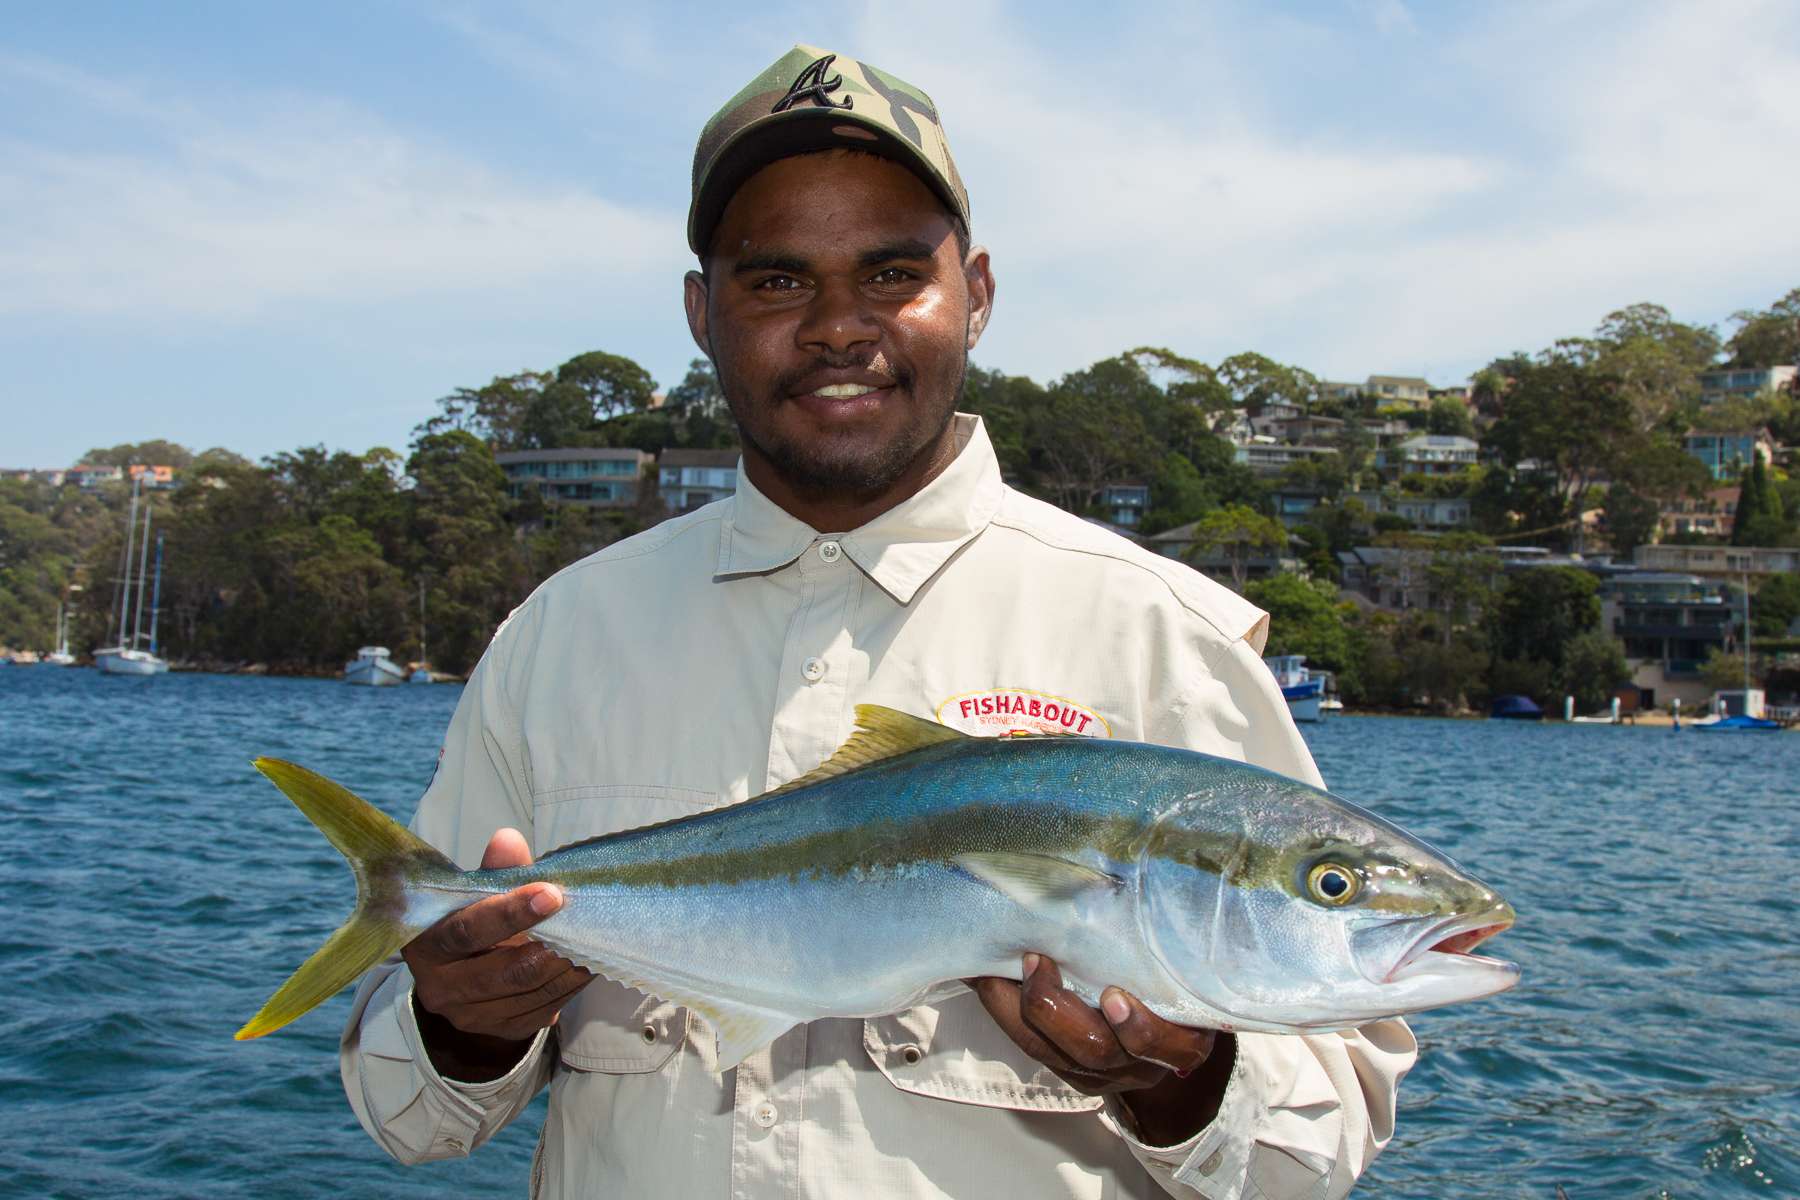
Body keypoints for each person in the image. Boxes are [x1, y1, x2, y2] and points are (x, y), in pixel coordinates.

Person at [340, 44, 1415, 1199]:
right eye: (778, 280)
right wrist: (464, 1026)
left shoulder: (1161, 636)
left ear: (979, 294)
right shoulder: (560, 641)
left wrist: (1182, 1086)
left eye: (894, 272)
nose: (839, 326)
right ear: (703, 311)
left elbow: (1325, 1149)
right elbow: (408, 1119)